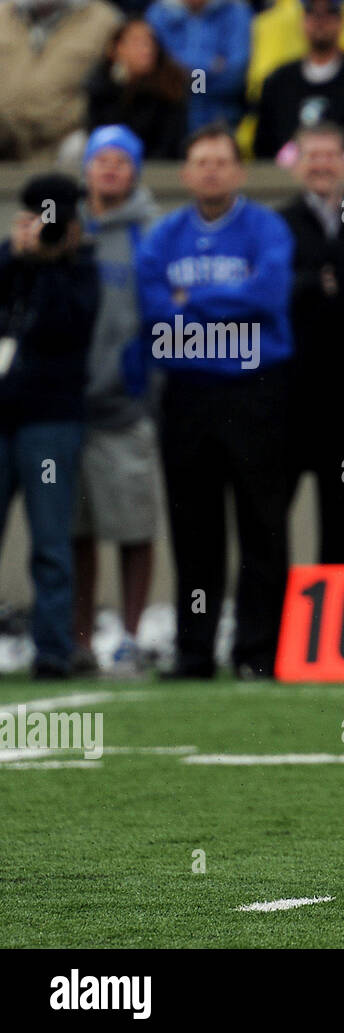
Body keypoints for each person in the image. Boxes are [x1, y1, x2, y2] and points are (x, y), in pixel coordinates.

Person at [134, 124, 295, 678]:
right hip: (188, 395)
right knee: (193, 527)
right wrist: (227, 304)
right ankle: (194, 651)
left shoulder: (266, 227)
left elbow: (267, 294)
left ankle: (258, 652)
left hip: (256, 392)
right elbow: (155, 309)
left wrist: (192, 301)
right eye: (200, 161)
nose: (210, 170)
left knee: (261, 524)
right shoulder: (162, 235)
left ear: (238, 170)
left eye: (220, 161)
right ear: (185, 172)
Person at [0, 173, 100, 679]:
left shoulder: (81, 269)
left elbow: (69, 325)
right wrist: (17, 259)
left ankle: (53, 650)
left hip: (52, 421)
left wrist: (50, 262)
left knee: (51, 543)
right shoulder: (8, 259)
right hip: (2, 418)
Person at [73, 126, 163, 677]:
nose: (109, 170)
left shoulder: (150, 234)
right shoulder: (67, 227)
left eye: (120, 162)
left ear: (134, 171)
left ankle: (129, 637)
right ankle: (79, 640)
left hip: (125, 406)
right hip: (66, 407)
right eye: (100, 160)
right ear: (86, 169)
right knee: (75, 533)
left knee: (133, 526)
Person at [278, 122, 344, 565]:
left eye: (329, 155)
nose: (321, 164)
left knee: (341, 521)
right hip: (285, 399)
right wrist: (306, 285)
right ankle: (270, 630)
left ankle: (338, 632)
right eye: (312, 155)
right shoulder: (275, 226)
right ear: (297, 163)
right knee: (269, 519)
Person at [252, 0, 344, 159]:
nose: (321, 22)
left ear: (342, 21)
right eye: (313, 14)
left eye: (329, 13)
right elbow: (263, 147)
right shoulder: (278, 82)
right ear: (302, 21)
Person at [0, 0, 123, 160]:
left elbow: (120, 82)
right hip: (7, 139)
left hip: (68, 142)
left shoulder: (105, 21)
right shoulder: (3, 15)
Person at [85, 17, 190, 159]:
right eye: (136, 42)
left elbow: (169, 144)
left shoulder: (171, 88)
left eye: (149, 42)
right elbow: (97, 133)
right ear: (116, 49)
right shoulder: (101, 86)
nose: (146, 49)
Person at [146, 0, 252, 133]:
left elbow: (235, 75)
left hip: (223, 115)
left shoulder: (236, 11)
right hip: (165, 113)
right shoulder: (159, 13)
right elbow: (156, 72)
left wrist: (185, 75)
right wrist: (210, 65)